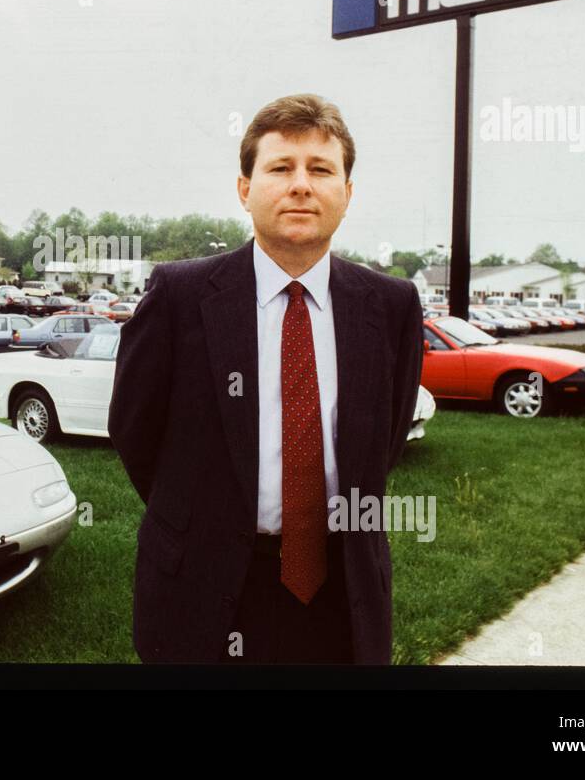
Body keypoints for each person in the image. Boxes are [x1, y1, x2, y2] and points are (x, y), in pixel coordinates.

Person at [108, 93, 424, 664]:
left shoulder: (391, 303)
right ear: (244, 189)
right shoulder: (180, 295)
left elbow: (386, 439)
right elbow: (134, 430)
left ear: (346, 195)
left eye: (321, 169)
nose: (301, 184)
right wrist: (194, 519)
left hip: (341, 589)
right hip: (204, 586)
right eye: (280, 167)